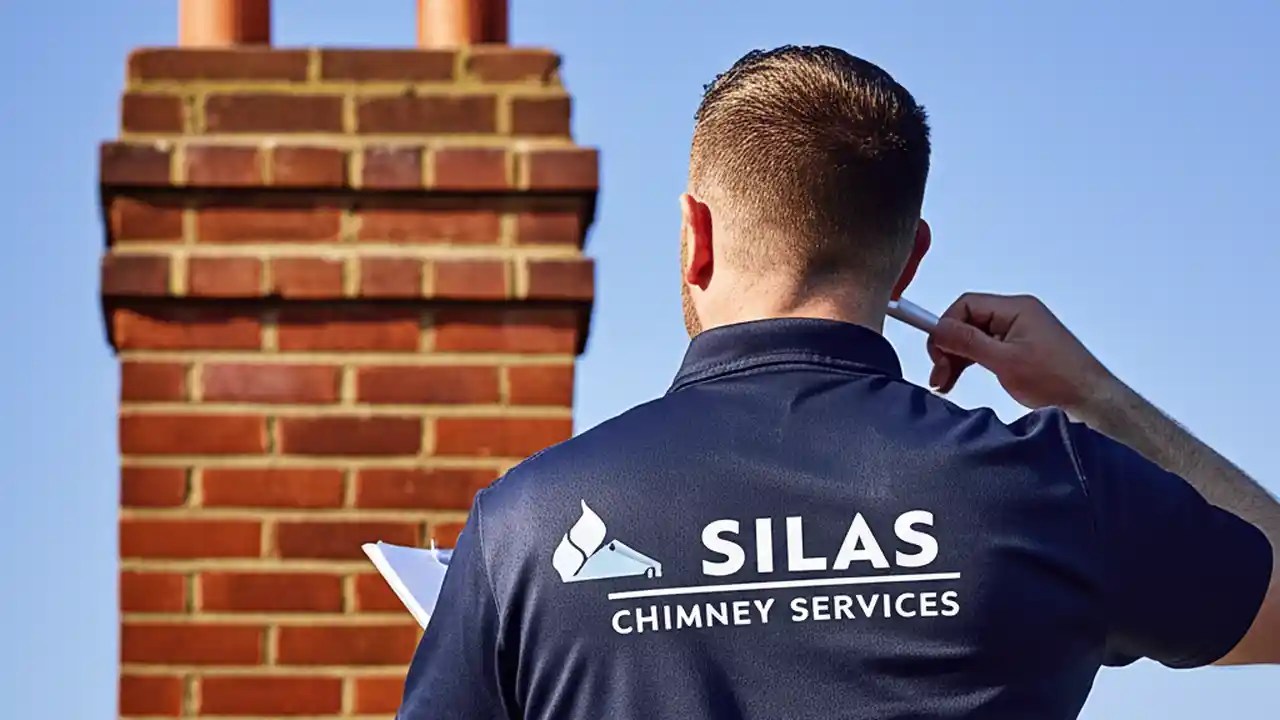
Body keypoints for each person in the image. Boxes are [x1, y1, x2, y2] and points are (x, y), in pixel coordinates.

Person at [397, 45, 1278, 719]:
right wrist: (1093, 395)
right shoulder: (1058, 488)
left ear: (694, 235)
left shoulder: (521, 529)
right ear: (909, 263)